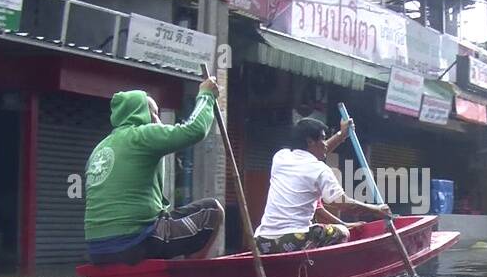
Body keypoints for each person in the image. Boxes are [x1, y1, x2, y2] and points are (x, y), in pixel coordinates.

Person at [84, 75, 223, 264]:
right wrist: (206, 95)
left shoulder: (100, 149)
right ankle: (192, 273)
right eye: (155, 113)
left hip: (97, 250)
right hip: (137, 242)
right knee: (213, 210)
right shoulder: (142, 134)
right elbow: (195, 130)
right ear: (142, 114)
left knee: (167, 219)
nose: (159, 119)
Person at [253, 116, 391, 254]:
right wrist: (376, 209)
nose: (325, 144)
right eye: (323, 139)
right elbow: (343, 204)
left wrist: (342, 135)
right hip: (295, 239)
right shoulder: (320, 170)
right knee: (342, 232)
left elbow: (317, 153)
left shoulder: (280, 157)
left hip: (263, 242)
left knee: (321, 228)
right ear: (310, 141)